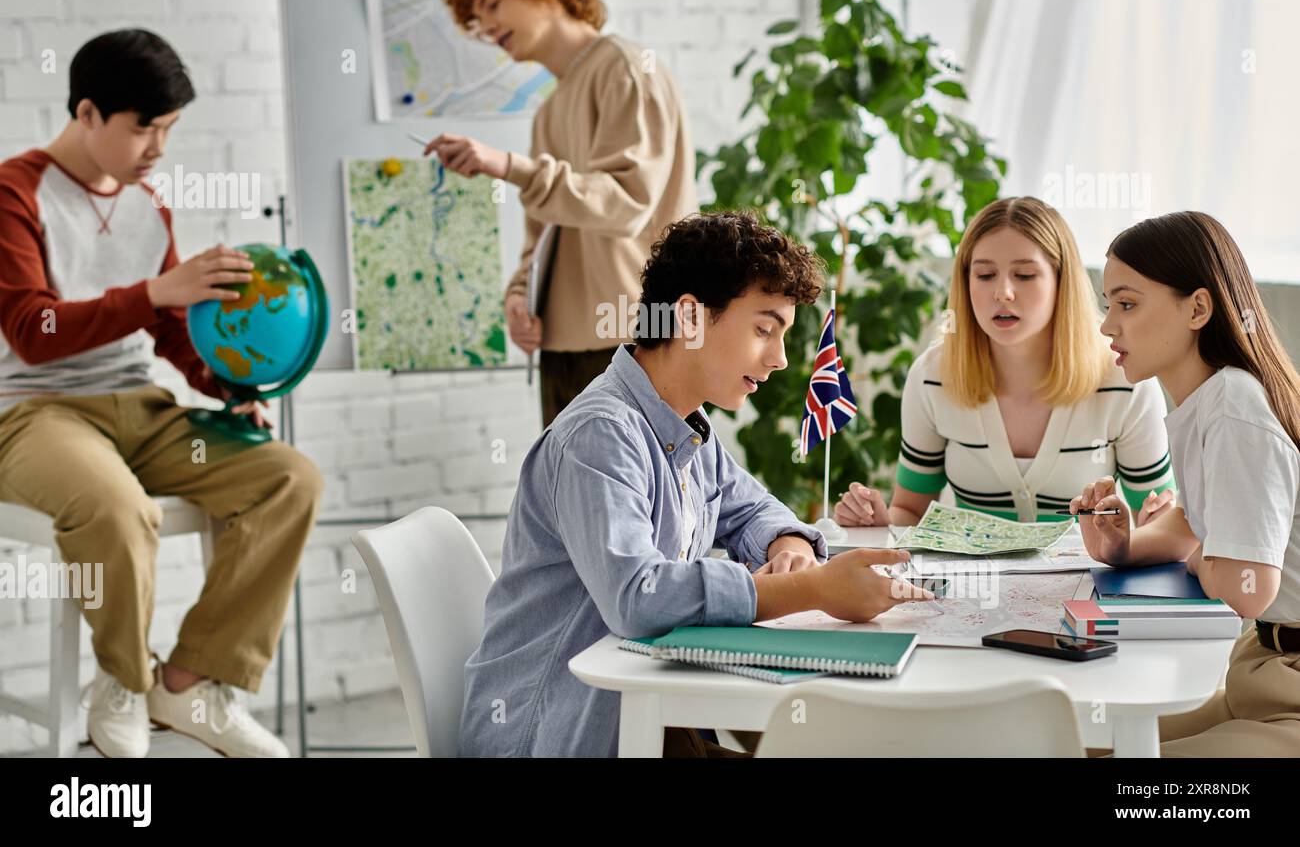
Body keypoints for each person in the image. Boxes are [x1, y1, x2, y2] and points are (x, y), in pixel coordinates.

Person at [459, 212, 932, 757]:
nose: (779, 360)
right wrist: (812, 589)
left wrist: (791, 547)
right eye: (764, 329)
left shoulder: (684, 426)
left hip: (647, 724)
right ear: (689, 317)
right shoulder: (600, 436)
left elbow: (752, 507)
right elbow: (638, 598)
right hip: (556, 738)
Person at [0, 29, 323, 757]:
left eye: (168, 128)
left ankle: (188, 686)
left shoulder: (150, 208)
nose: (157, 147)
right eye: (142, 127)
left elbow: (172, 331)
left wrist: (225, 383)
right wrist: (154, 290)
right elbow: (31, 329)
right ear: (87, 114)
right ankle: (121, 680)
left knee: (287, 478)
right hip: (33, 417)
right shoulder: (14, 193)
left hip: (138, 412)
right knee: (116, 508)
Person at [431, 0, 697, 424]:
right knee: (567, 500)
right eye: (477, 19)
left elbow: (625, 203)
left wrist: (507, 165)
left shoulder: (624, 67)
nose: (486, 27)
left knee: (643, 500)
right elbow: (542, 235)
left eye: (493, 5)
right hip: (565, 346)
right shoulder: (549, 111)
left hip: (634, 338)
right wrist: (518, 298)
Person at [1071, 211, 1300, 757]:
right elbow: (1194, 520)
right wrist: (1125, 544)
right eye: (1109, 306)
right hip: (1258, 674)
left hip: (1289, 695)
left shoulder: (1235, 412)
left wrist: (1202, 559)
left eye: (1126, 304)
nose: (1108, 326)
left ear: (1197, 308)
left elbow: (1248, 585)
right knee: (1073, 742)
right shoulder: (1209, 400)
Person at [835, 197, 1176, 528]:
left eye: (1025, 275)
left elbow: (1158, 521)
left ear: (1062, 282)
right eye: (984, 276)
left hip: (1089, 584)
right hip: (970, 585)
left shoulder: (1125, 377)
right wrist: (878, 522)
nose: (1003, 293)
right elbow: (909, 511)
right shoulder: (931, 377)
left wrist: (1160, 521)